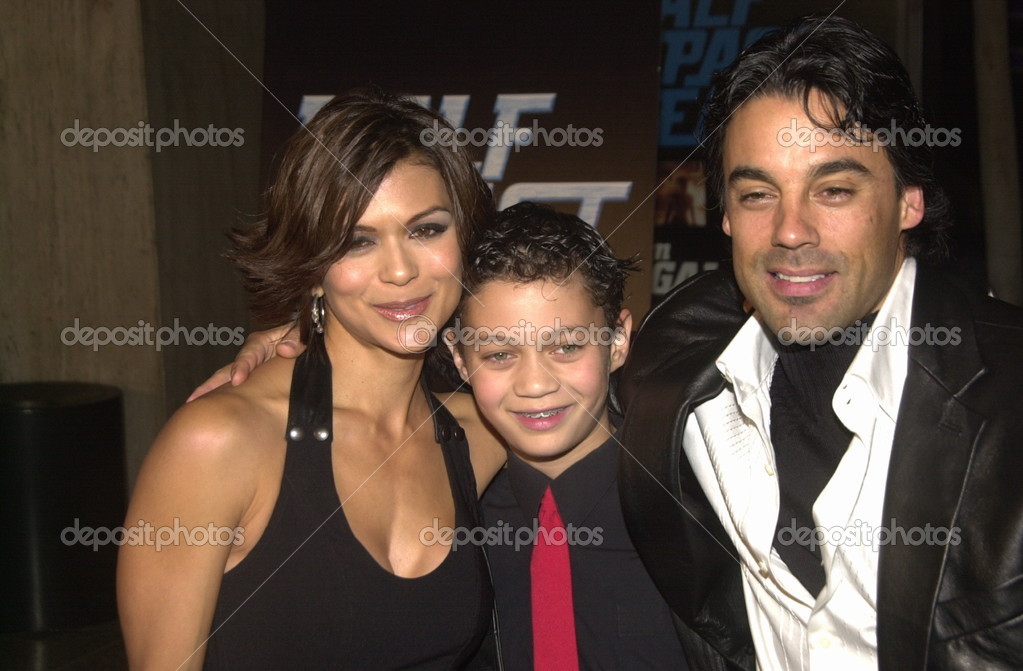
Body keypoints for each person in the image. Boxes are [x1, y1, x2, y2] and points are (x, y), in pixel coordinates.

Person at [617, 14, 1023, 671]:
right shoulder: (674, 372)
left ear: (908, 199)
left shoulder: (1007, 393)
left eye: (833, 190)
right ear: (725, 215)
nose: (790, 229)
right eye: (757, 194)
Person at [117, 90, 506, 670]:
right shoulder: (219, 442)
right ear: (313, 267)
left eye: (426, 230)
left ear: (465, 240)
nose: (401, 270)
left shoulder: (484, 430)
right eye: (357, 241)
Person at [444, 202, 688, 669]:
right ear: (460, 359)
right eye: (499, 354)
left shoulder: (695, 509)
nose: (535, 384)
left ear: (617, 341)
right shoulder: (448, 527)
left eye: (567, 346)